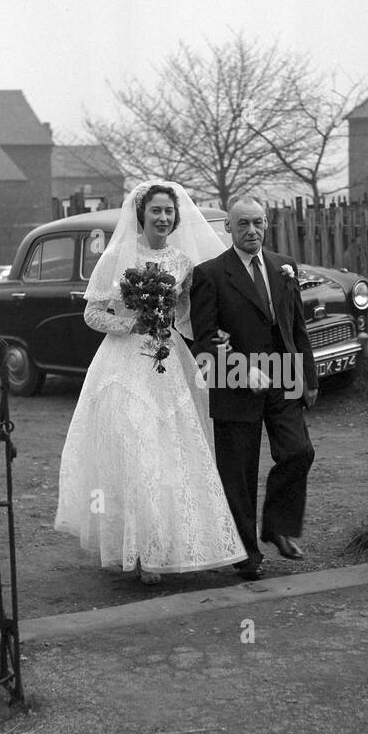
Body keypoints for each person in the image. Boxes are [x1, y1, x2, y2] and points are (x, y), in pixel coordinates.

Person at [54, 181, 246, 583]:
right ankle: (136, 550)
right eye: (156, 211)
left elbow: (188, 314)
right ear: (141, 214)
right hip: (122, 365)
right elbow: (92, 313)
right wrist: (129, 323)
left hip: (167, 360)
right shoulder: (119, 256)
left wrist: (217, 340)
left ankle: (162, 545)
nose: (163, 218)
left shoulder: (181, 262)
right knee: (135, 451)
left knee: (168, 454)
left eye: (169, 212)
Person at [190, 196, 318, 581]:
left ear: (267, 224)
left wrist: (309, 378)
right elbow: (205, 338)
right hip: (234, 383)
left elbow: (296, 327)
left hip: (283, 376)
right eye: (242, 224)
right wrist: (240, 367)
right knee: (238, 473)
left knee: (299, 452)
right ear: (228, 228)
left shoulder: (284, 268)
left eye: (258, 223)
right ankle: (245, 553)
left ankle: (277, 526)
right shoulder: (210, 274)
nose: (252, 231)